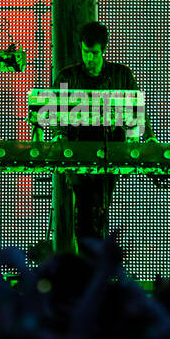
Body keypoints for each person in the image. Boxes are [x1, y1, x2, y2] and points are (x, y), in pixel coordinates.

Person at [48, 22, 154, 249]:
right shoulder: (68, 77)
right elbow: (52, 113)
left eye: (94, 53)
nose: (90, 59)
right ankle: (89, 259)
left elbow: (137, 109)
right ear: (81, 48)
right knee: (84, 207)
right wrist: (58, 136)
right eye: (85, 52)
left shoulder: (121, 75)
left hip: (110, 150)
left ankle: (94, 259)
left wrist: (149, 138)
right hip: (77, 151)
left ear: (103, 50)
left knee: (99, 206)